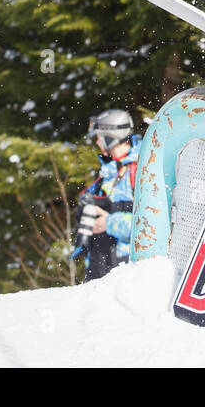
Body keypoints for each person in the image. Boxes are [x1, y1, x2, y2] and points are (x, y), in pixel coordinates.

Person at [77, 109, 141, 281]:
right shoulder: (110, 171)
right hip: (100, 268)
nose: (97, 142)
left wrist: (110, 223)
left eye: (100, 137)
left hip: (125, 273)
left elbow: (148, 227)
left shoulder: (141, 170)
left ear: (111, 137)